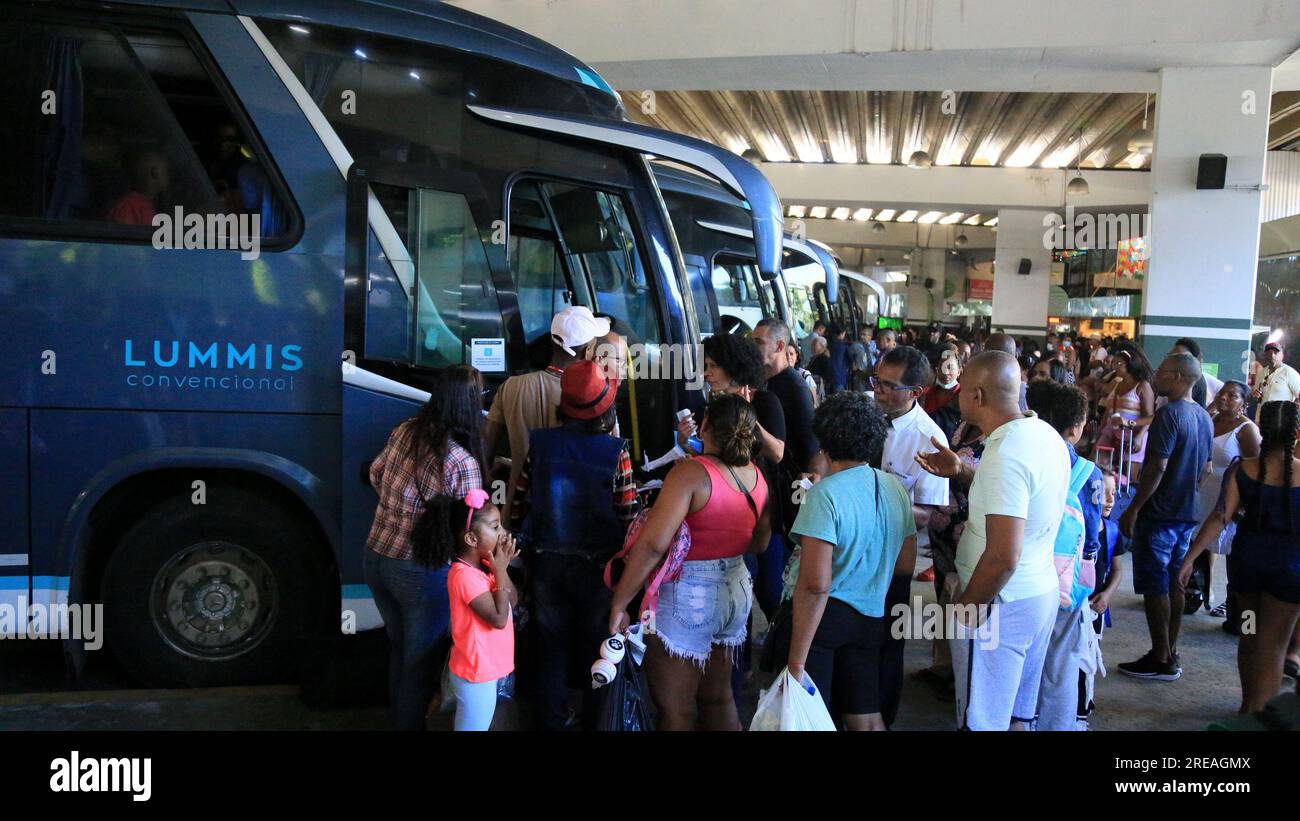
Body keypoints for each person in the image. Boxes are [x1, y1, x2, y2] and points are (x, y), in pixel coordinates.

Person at [914, 351, 1069, 731]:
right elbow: (1018, 501)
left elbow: (1003, 556)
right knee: (1016, 715)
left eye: (963, 389)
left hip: (1001, 605)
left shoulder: (1005, 454)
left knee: (982, 720)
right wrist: (962, 471)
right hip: (1036, 596)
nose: (957, 396)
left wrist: (966, 613)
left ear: (978, 396)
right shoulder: (1042, 433)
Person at [609, 394, 772, 730]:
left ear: (708, 425)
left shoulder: (691, 474)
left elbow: (654, 546)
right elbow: (761, 542)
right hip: (737, 590)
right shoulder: (756, 476)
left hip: (688, 595)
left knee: (675, 707)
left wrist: (620, 602)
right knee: (719, 697)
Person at [510, 360, 638, 731]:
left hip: (548, 562)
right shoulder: (617, 452)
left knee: (551, 646)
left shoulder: (541, 444)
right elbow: (628, 517)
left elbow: (520, 501)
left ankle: (551, 721)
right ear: (606, 409)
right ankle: (596, 721)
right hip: (600, 570)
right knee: (598, 649)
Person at [785, 393, 917, 729]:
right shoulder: (894, 489)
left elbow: (815, 585)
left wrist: (796, 662)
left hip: (824, 621)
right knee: (867, 718)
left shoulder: (824, 496)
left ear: (825, 443)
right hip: (872, 617)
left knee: (814, 717)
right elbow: (905, 564)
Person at [364, 365, 485, 731]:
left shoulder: (404, 431)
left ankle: (399, 720)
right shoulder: (462, 462)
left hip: (376, 557)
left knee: (401, 651)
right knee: (419, 666)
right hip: (419, 572)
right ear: (468, 406)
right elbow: (472, 532)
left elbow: (374, 474)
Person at [1180, 401, 1300, 713]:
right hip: (1289, 574)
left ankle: (1248, 705)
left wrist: (1190, 557)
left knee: (1248, 635)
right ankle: (1261, 714)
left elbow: (1221, 516)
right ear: (1295, 434)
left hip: (1247, 569)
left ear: (1262, 433)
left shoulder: (1241, 469)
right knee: (1273, 647)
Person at [1117, 353, 1213, 681]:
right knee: (1175, 581)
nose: (1156, 375)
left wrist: (1134, 508)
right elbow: (1205, 468)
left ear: (1178, 378)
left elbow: (1156, 466)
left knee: (1156, 584)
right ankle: (1170, 651)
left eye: (1162, 371)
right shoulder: (1203, 416)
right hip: (1187, 512)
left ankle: (1160, 658)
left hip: (1160, 513)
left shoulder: (1168, 414)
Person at [1025, 380, 1105, 731]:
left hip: (1028, 576)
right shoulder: (1090, 475)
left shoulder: (1029, 461)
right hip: (1068, 587)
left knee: (1024, 664)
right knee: (1061, 667)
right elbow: (1092, 537)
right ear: (1075, 430)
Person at [485, 306, 607, 513]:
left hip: (516, 511)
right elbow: (605, 456)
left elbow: (485, 446)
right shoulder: (591, 398)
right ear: (587, 351)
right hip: (565, 517)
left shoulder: (511, 386)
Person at [445, 490, 519, 731]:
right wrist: (500, 570)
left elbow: (511, 602)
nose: (503, 533)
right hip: (475, 673)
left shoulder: (485, 567)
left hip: (486, 668)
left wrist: (501, 569)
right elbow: (499, 618)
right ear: (471, 539)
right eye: (495, 527)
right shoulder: (463, 576)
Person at [1194, 381, 1260, 619]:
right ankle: (1203, 591)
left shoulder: (1245, 429)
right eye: (1222, 393)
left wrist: (1244, 503)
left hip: (1231, 497)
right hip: (1205, 492)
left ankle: (1233, 603)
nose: (1224, 398)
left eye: (1232, 396)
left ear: (1244, 403)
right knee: (1203, 544)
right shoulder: (1211, 421)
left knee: (1232, 552)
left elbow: (1255, 467)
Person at [753, 318, 821, 517]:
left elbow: (810, 445)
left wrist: (801, 499)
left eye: (759, 342)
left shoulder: (795, 387)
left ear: (780, 345)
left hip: (791, 485)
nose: (753, 347)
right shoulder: (766, 381)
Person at [1093, 344, 1156, 483]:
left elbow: (1151, 417)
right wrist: (1100, 431)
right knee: (1098, 466)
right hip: (1112, 433)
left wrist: (1138, 435)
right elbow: (1109, 412)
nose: (1114, 366)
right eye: (1114, 362)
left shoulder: (1142, 386)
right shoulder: (1116, 384)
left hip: (1133, 436)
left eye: (1118, 363)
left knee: (1130, 478)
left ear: (1130, 364)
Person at [106, 146, 168, 226]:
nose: (169, 174)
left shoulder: (144, 205)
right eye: (167, 169)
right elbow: (124, 236)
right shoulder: (130, 207)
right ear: (155, 172)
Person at [1252, 342, 1300, 422]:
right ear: (1265, 355)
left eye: (1276, 353)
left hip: (1281, 421)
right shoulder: (1262, 372)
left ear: (1282, 355)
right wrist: (1255, 395)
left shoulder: (1289, 372)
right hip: (1261, 419)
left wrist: (1293, 413)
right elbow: (1256, 395)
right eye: (1269, 353)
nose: (1272, 355)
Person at [1171, 337, 1222, 409]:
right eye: (1171, 356)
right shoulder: (1168, 381)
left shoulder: (1217, 387)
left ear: (1197, 359)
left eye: (1182, 357)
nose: (1175, 361)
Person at [924, 348, 962, 418]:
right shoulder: (925, 394)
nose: (946, 372)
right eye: (942, 367)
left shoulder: (964, 396)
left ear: (959, 371)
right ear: (937, 369)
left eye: (950, 368)